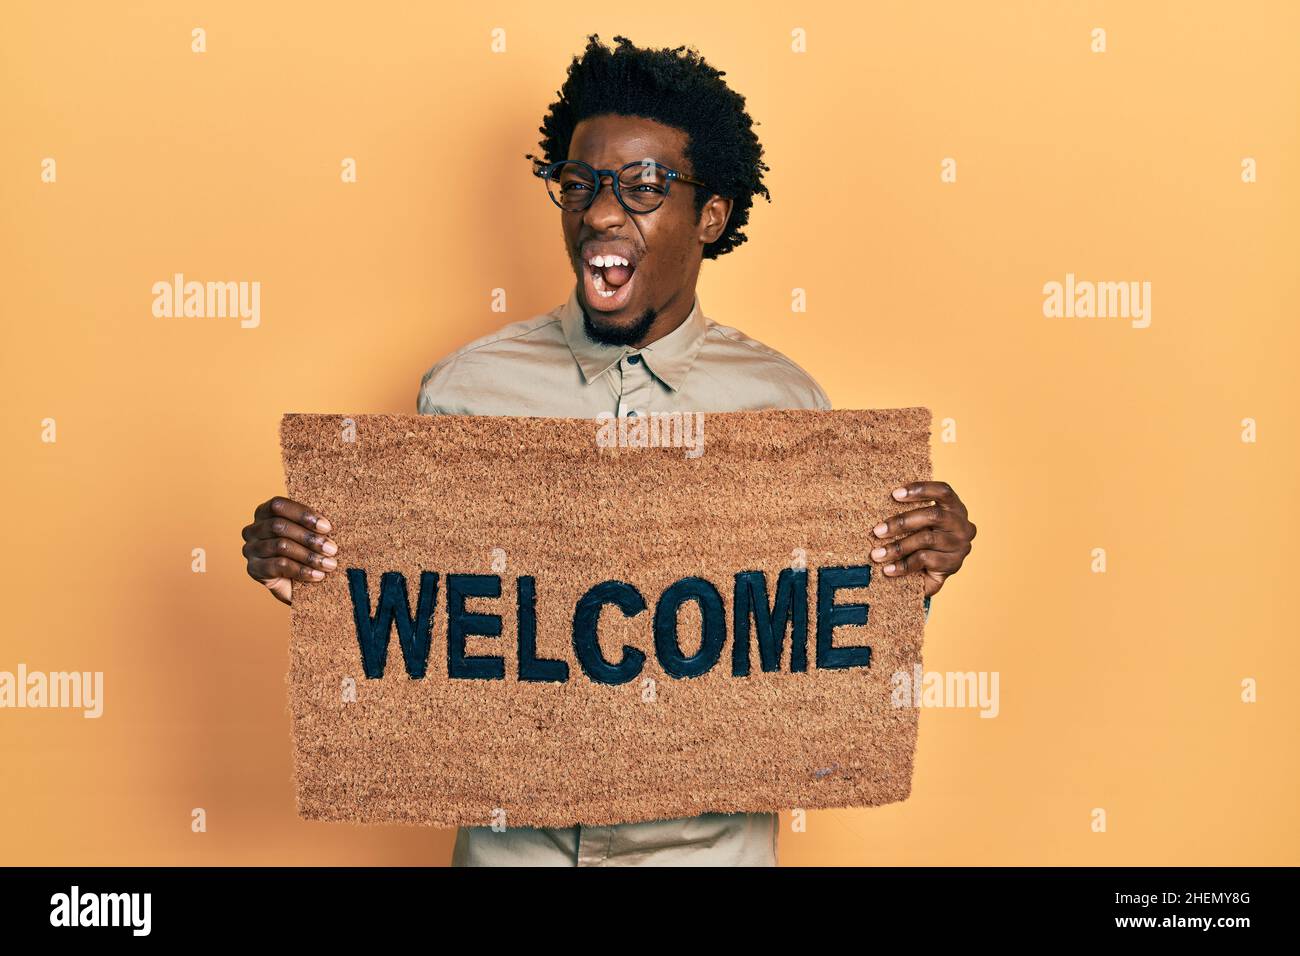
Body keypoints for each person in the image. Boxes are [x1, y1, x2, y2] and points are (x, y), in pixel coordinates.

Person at [241, 34, 977, 866]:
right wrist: (307, 570)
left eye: (643, 187)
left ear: (710, 216)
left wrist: (922, 570)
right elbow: (420, 615)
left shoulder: (783, 404)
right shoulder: (464, 392)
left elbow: (813, 635)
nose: (599, 212)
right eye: (582, 184)